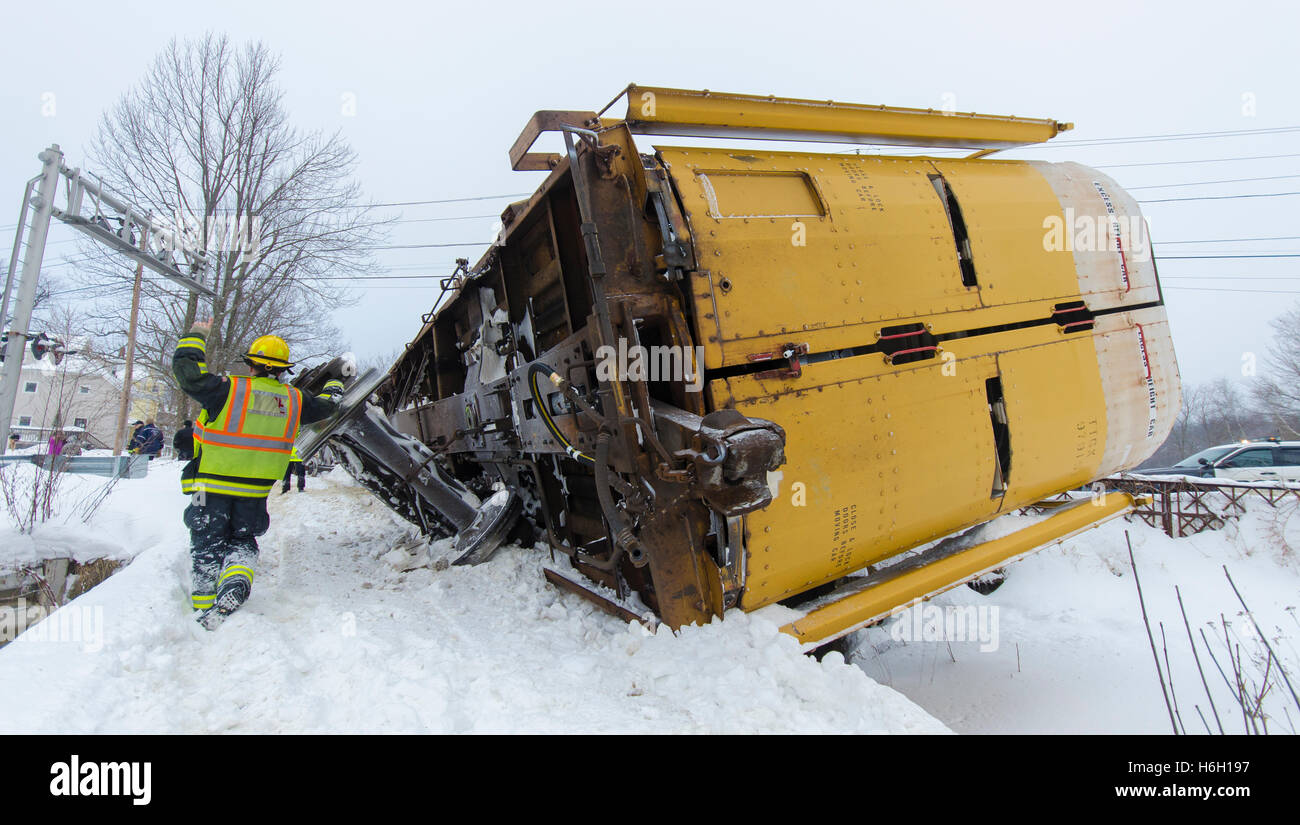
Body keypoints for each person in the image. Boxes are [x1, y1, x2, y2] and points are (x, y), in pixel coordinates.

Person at [173, 321, 344, 628]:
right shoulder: (294, 400)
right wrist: (337, 385)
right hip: (254, 491)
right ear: (282, 370)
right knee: (243, 538)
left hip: (207, 487)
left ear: (251, 365)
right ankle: (236, 581)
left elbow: (188, 372)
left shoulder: (227, 389)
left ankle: (202, 605)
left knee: (205, 536)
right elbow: (327, 407)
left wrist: (198, 333)